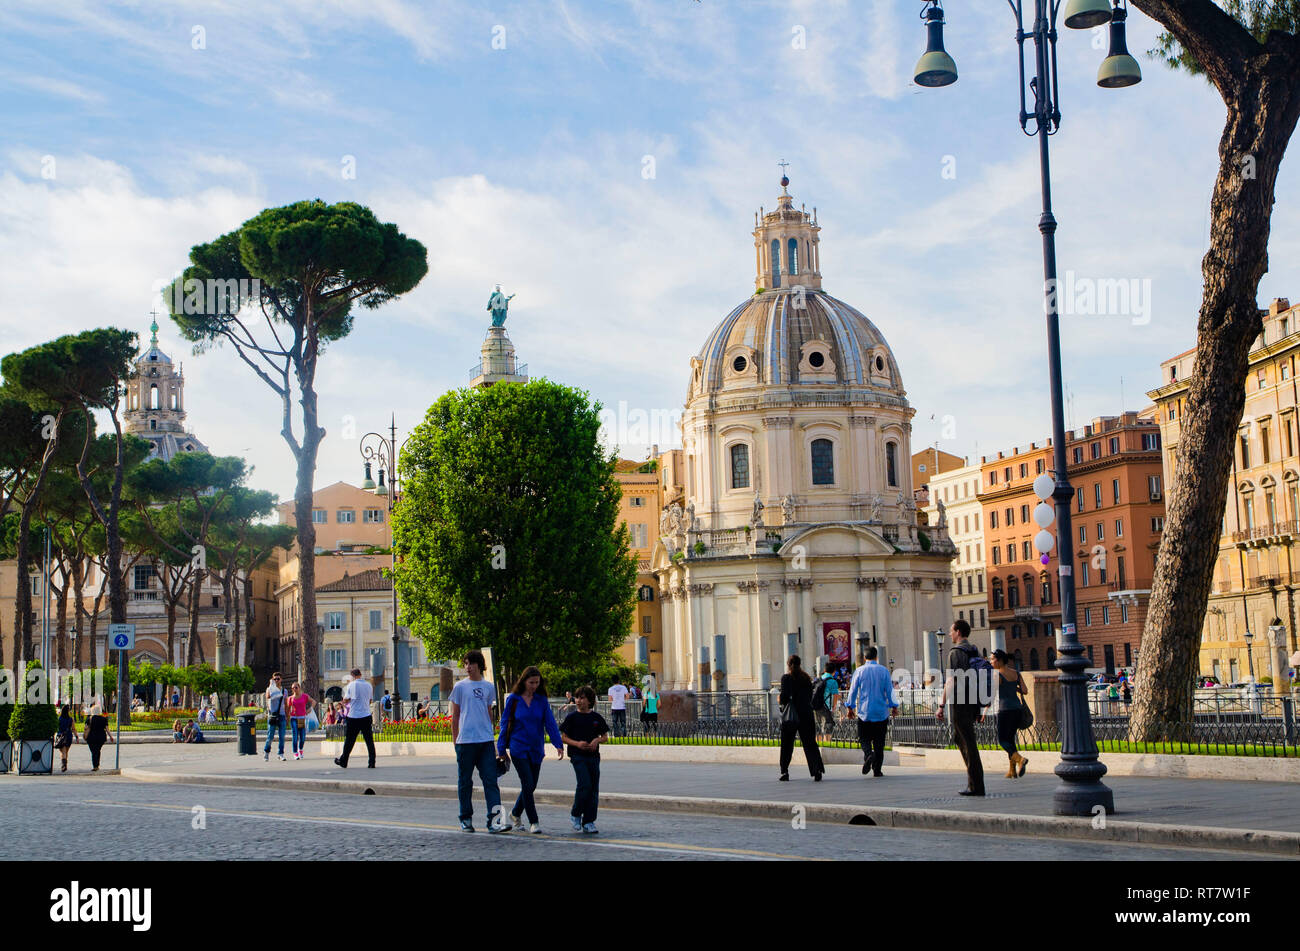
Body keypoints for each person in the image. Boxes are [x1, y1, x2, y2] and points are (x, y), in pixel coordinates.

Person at [496, 666, 563, 834]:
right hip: (519, 747)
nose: (534, 685)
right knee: (527, 783)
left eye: (537, 683)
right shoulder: (514, 699)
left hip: (536, 748)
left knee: (531, 785)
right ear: (524, 681)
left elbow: (550, 723)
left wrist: (558, 743)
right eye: (531, 682)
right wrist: (501, 746)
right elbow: (505, 723)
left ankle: (515, 813)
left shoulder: (541, 700)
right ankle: (534, 822)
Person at [451, 650, 509, 833]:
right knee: (465, 782)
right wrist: (455, 741)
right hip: (465, 742)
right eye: (466, 664)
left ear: (479, 665)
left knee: (491, 781)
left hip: (485, 741)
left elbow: (489, 712)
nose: (468, 667)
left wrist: (492, 740)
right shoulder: (459, 687)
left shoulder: (488, 686)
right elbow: (455, 715)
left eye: (471, 663)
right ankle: (465, 818)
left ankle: (495, 821)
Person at [936, 619, 986, 796]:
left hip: (960, 701)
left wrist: (941, 705)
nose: (949, 634)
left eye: (951, 631)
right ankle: (975, 782)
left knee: (967, 742)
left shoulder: (955, 653)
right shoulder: (974, 649)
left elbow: (950, 680)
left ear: (958, 632)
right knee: (960, 738)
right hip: (973, 700)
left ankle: (976, 785)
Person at [560, 685, 609, 834]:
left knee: (594, 789)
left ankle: (589, 821)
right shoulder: (571, 718)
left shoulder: (596, 718)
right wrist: (577, 744)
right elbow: (563, 737)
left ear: (590, 701)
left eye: (582, 698)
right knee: (584, 784)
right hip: (577, 756)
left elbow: (605, 737)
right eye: (577, 697)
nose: (579, 701)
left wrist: (596, 741)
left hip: (593, 757)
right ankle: (576, 813)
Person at [845, 648, 898, 777]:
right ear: (876, 657)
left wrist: (850, 707)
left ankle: (869, 754)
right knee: (879, 742)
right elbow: (889, 691)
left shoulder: (859, 671)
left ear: (864, 657)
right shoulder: (884, 671)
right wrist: (894, 706)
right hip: (881, 712)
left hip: (865, 712)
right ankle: (877, 770)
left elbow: (853, 691)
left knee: (864, 738)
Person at [778, 655, 824, 781]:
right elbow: (810, 696)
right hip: (806, 714)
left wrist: (780, 700)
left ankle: (784, 772)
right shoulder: (806, 678)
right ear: (800, 664)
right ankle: (816, 770)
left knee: (787, 744)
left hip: (791, 715)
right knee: (810, 743)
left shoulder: (786, 678)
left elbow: (784, 698)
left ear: (788, 664)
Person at [991, 650, 1028, 779]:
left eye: (992, 659)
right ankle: (1012, 770)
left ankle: (1020, 759)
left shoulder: (997, 675)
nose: (991, 662)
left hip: (1004, 710)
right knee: (1011, 739)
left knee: (1002, 740)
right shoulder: (1016, 673)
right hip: (1017, 710)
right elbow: (1024, 690)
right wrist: (1013, 687)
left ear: (1000, 660)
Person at [334, 668, 376, 769]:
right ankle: (372, 762)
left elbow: (346, 699)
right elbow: (370, 701)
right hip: (366, 715)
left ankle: (344, 761)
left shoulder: (352, 685)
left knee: (349, 740)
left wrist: (345, 701)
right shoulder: (368, 685)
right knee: (369, 740)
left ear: (352, 675)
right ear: (360, 674)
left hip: (354, 716)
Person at [263, 671, 288, 761]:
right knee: (270, 736)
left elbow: (286, 704)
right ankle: (266, 752)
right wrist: (271, 685)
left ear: (281, 679)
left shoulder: (284, 690)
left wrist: (287, 716)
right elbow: (268, 697)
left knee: (282, 736)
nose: (276, 680)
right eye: (275, 679)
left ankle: (280, 753)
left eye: (278, 679)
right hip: (272, 715)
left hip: (281, 715)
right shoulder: (269, 689)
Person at [287, 681, 314, 760]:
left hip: (301, 718)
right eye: (293, 688)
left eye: (296, 687)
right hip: (294, 718)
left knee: (302, 737)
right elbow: (288, 709)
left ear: (299, 688)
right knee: (295, 736)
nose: (294, 689)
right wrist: (287, 717)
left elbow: (313, 702)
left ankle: (300, 750)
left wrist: (310, 709)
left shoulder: (304, 696)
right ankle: (295, 753)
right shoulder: (290, 698)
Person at [811, 666, 839, 741]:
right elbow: (835, 695)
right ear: (834, 672)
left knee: (817, 725)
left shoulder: (817, 679)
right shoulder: (832, 681)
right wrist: (834, 706)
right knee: (828, 724)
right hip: (826, 706)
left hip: (815, 705)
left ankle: (818, 743)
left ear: (824, 670)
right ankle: (827, 742)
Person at [84, 704, 112, 772]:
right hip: (101, 737)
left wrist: (85, 735)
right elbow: (107, 729)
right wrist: (110, 736)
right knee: (97, 750)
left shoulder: (89, 719)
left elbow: (86, 728)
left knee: (94, 751)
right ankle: (97, 765)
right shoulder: (103, 719)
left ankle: (95, 766)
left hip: (91, 737)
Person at [55, 705, 74, 773]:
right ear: (68, 711)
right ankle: (65, 764)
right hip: (68, 736)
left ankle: (63, 765)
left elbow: (56, 727)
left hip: (61, 736)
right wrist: (77, 736)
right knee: (65, 752)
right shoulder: (71, 719)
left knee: (63, 752)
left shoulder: (59, 719)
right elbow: (73, 728)